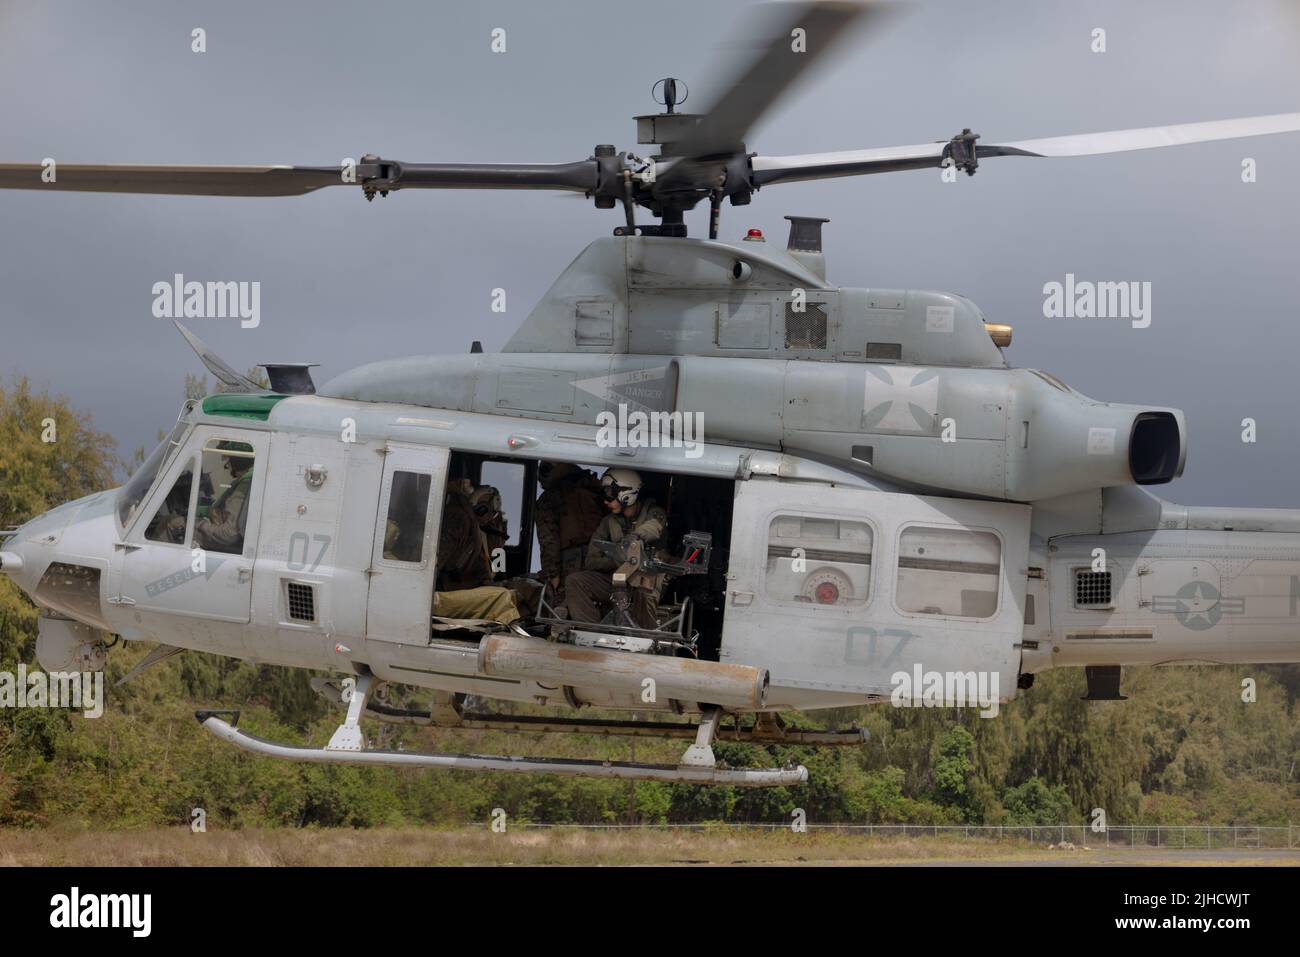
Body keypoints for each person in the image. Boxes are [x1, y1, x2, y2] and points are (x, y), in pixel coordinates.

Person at [564, 468, 667, 629]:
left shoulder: (654, 513)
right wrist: (617, 559)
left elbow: (654, 527)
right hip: (615, 581)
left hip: (646, 582)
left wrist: (634, 539)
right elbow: (591, 560)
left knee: (643, 593)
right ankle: (591, 633)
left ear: (626, 493)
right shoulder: (608, 522)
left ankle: (646, 638)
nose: (605, 501)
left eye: (609, 495)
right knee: (575, 581)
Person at [535, 462, 604, 594]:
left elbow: (548, 540)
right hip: (601, 558)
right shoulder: (594, 489)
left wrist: (552, 574)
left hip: (571, 561)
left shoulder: (548, 499)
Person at [437, 478, 494, 590]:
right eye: (487, 511)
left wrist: (485, 581)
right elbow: (436, 563)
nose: (489, 518)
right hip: (443, 587)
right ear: (479, 508)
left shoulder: (474, 527)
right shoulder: (458, 519)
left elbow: (476, 561)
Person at [194, 449, 253, 553]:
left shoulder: (245, 485)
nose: (227, 466)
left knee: (173, 523)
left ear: (237, 462)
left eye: (229, 460)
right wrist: (206, 511)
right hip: (236, 540)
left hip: (232, 544)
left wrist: (200, 524)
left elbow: (228, 534)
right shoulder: (248, 479)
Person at [471, 485, 509, 572]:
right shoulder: (465, 525)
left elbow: (498, 567)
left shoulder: (494, 529)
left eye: (494, 513)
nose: (489, 517)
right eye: (486, 510)